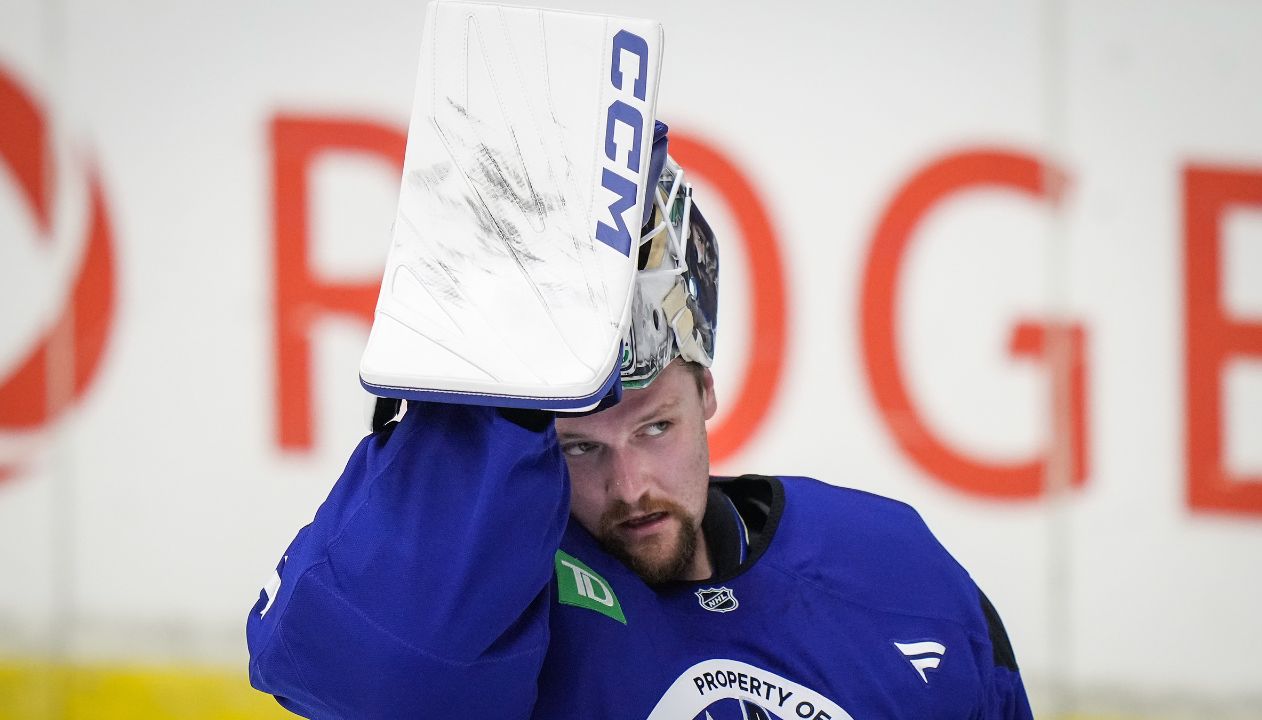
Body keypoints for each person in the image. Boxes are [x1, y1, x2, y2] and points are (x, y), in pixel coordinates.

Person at [247, 122, 1033, 718]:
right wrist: (478, 405)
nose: (629, 486)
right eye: (580, 449)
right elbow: (369, 676)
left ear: (707, 393)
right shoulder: (500, 610)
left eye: (656, 429)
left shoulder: (895, 570)